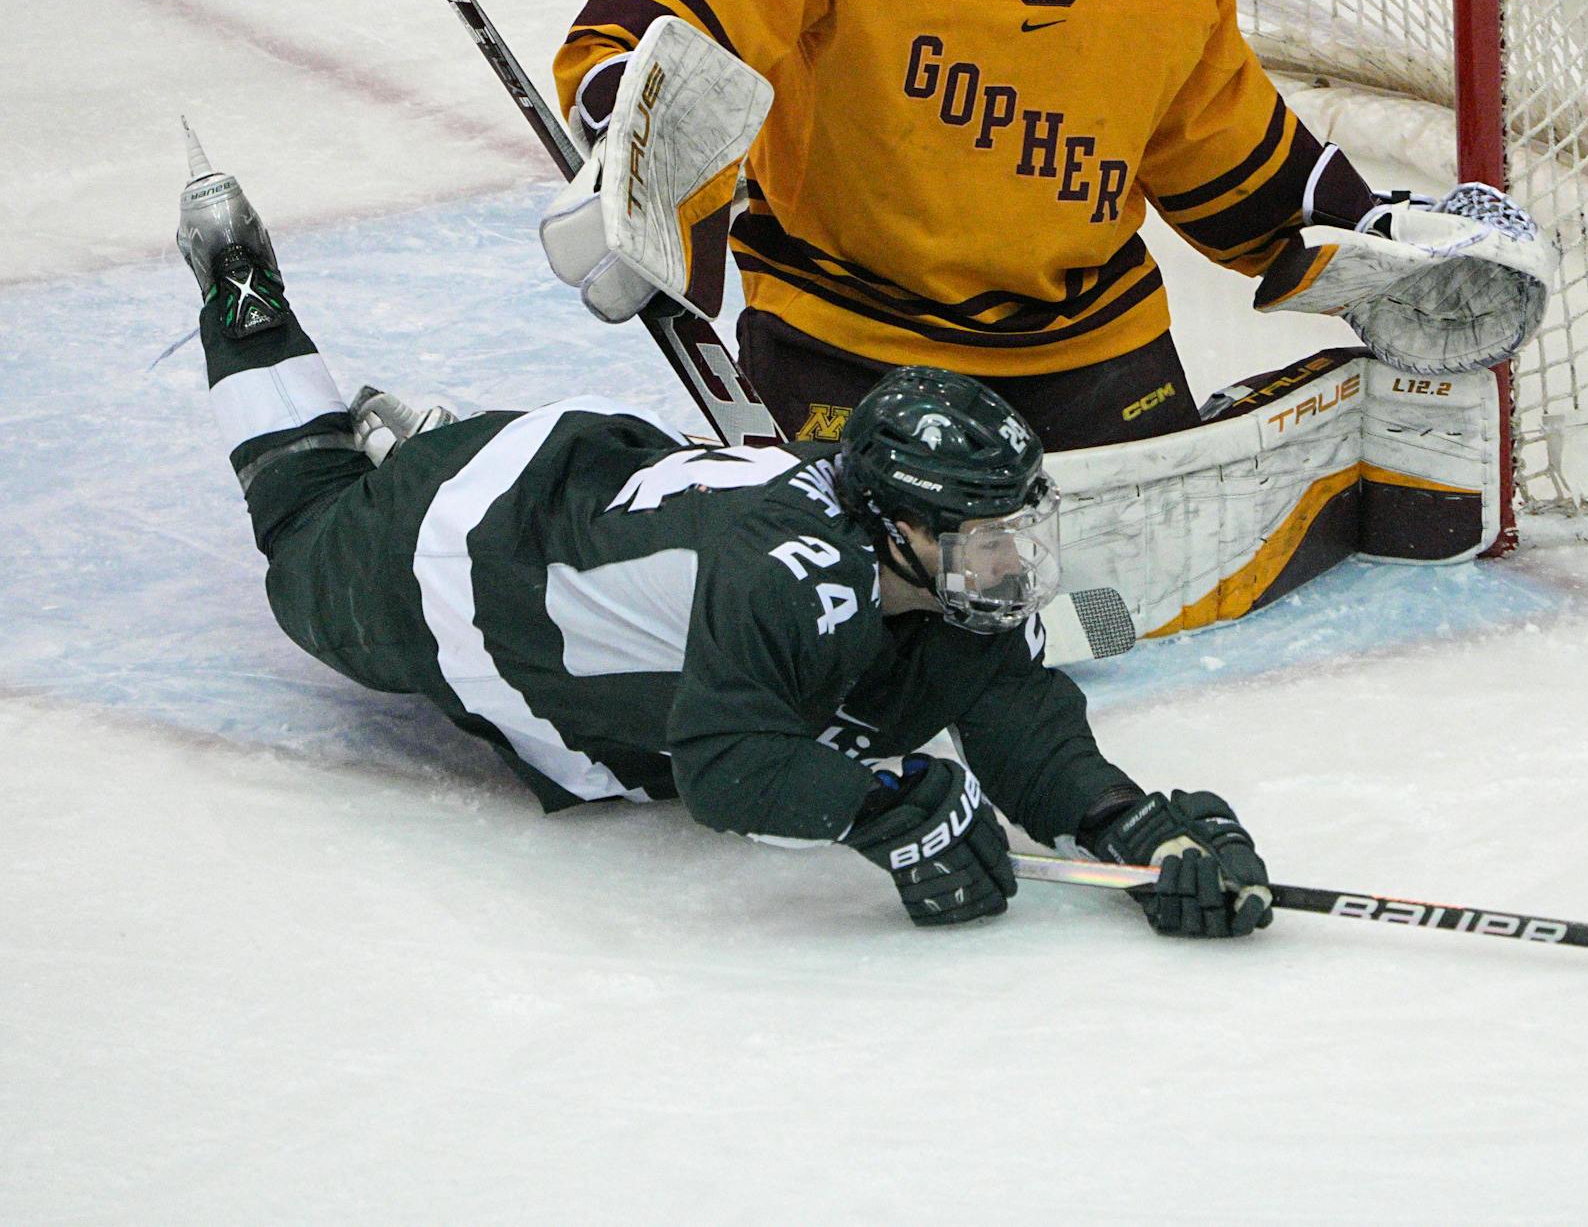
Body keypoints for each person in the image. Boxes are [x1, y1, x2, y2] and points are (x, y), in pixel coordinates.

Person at [176, 127, 1270, 936]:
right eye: (984, 533)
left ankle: (419, 440)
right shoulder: (786, 577)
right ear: (899, 527)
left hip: (590, 475)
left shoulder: (922, 568)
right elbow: (723, 761)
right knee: (302, 533)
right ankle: (245, 296)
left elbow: (1015, 713)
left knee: (867, 684)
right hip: (467, 566)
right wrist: (882, 808)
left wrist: (1133, 827)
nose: (1010, 557)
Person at [547, 0, 1550, 452]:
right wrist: (627, 125)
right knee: (877, 589)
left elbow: (1216, 135)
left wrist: (1358, 234)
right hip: (845, 327)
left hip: (1086, 339)